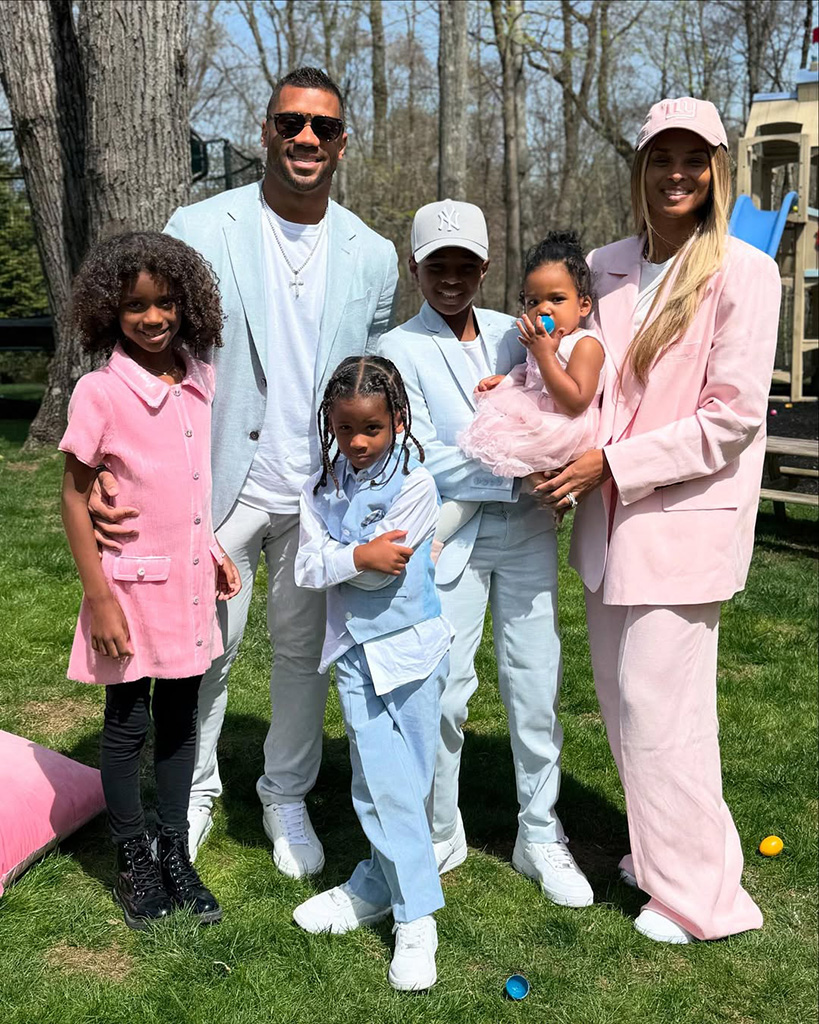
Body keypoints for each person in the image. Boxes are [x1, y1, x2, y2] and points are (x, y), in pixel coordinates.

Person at [90, 67, 399, 872]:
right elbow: (146, 351)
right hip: (213, 485)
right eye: (290, 123)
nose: (305, 138)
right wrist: (110, 465)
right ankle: (191, 794)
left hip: (318, 492)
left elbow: (370, 373)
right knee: (203, 652)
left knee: (301, 656)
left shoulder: (372, 254)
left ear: (341, 143)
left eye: (323, 127)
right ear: (266, 131)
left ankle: (285, 794)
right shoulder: (199, 226)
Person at [537, 97, 781, 943]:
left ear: (716, 170)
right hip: (607, 529)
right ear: (640, 168)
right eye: (660, 158)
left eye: (692, 158)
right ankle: (664, 857)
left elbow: (731, 417)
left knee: (662, 712)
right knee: (623, 706)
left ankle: (704, 901)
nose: (676, 173)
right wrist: (523, 402)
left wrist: (611, 464)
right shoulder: (603, 266)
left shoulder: (746, 272)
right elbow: (577, 373)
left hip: (682, 523)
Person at [381, 200, 594, 908]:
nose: (451, 278)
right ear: (414, 268)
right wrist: (521, 474)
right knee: (444, 689)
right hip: (455, 537)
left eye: (465, 265)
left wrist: (561, 469)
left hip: (528, 529)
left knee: (534, 680)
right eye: (436, 265)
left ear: (484, 267)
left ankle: (540, 831)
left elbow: (568, 402)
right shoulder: (397, 349)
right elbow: (418, 452)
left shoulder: (519, 329)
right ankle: (441, 830)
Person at [60, 232, 242, 930]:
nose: (153, 317)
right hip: (128, 594)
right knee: (127, 722)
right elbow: (74, 497)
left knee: (179, 720)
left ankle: (174, 850)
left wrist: (212, 547)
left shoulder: (200, 379)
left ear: (186, 303)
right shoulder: (101, 392)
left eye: (165, 301)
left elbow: (187, 489)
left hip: (188, 587)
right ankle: (132, 854)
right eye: (136, 305)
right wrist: (99, 598)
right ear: (110, 310)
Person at [291, 356, 449, 992]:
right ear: (330, 424)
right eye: (346, 428)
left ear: (398, 421)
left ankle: (378, 886)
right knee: (376, 783)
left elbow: (391, 568)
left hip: (413, 653)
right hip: (355, 654)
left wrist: (344, 557)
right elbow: (309, 568)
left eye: (372, 428)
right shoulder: (319, 489)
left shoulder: (418, 484)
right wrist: (357, 553)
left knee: (407, 783)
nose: (357, 442)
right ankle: (416, 915)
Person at [451, 230, 605, 532]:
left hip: (563, 427)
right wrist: (506, 382)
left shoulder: (585, 345)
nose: (544, 309)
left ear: (583, 305)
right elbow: (529, 375)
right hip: (538, 417)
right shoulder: (540, 343)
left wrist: (546, 356)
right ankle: (447, 531)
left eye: (557, 299)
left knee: (514, 465)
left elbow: (575, 402)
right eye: (534, 301)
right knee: (486, 464)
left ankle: (552, 507)